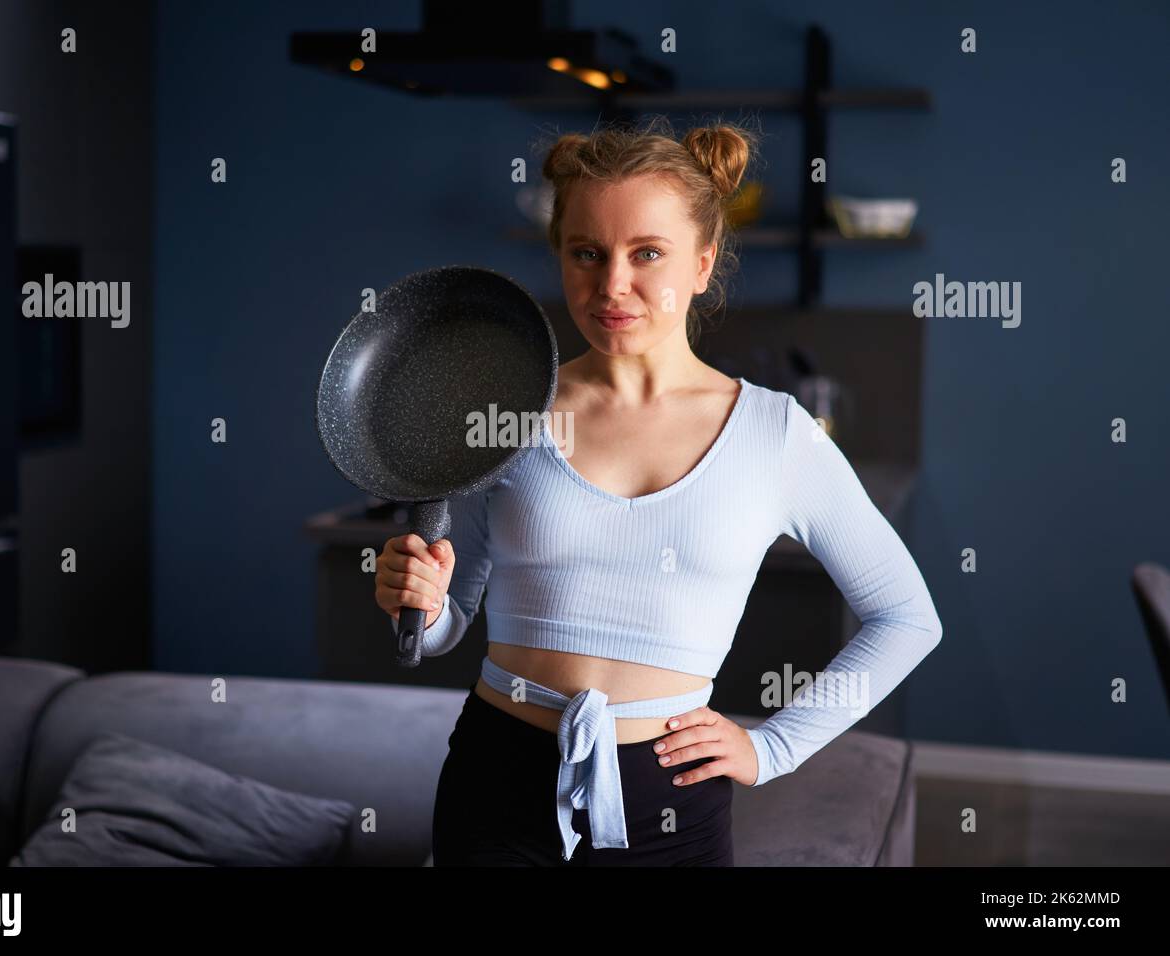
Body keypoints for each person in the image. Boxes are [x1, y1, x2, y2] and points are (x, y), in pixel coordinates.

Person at [375, 115, 943, 866]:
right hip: (495, 778)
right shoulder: (507, 414)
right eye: (587, 253)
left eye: (647, 253)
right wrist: (417, 601)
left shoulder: (775, 434)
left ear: (703, 264)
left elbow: (906, 617)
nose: (613, 284)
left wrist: (774, 747)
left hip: (671, 802)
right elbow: (448, 623)